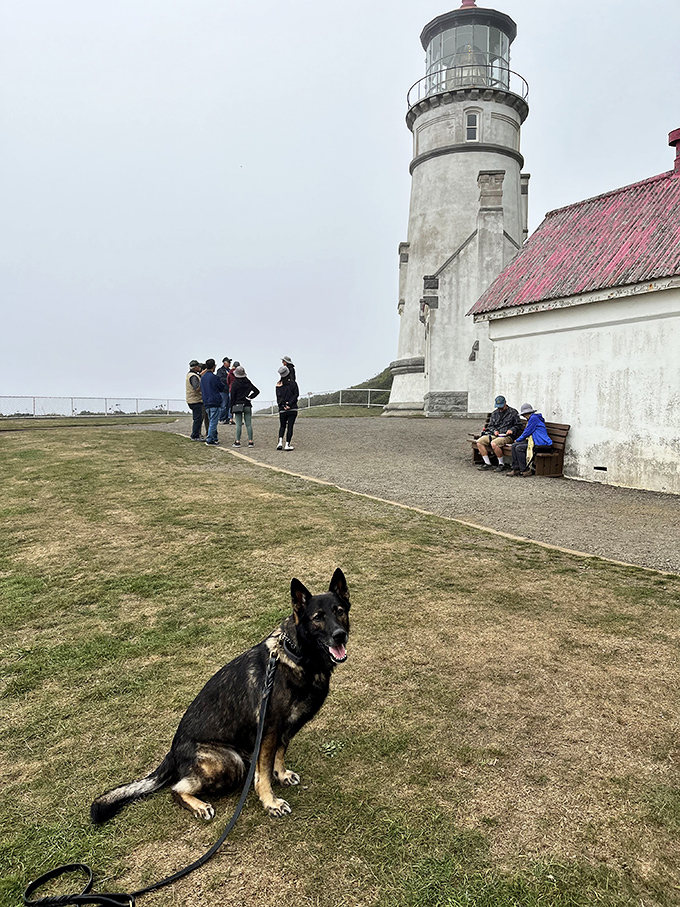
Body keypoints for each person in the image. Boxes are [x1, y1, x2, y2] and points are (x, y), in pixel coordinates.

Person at [476, 395, 522, 472]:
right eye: (498, 407)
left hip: (507, 436)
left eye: (501, 406)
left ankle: (501, 464)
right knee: (479, 442)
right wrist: (494, 431)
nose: (499, 408)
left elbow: (519, 425)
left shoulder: (513, 412)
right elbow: (490, 426)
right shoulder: (495, 413)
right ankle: (488, 463)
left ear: (505, 403)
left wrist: (512, 429)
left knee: (494, 443)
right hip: (495, 435)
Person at [508, 403, 553, 476]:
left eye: (524, 415)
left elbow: (527, 432)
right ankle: (516, 469)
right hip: (533, 441)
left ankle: (525, 470)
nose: (524, 417)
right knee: (514, 446)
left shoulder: (533, 418)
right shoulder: (532, 418)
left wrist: (518, 440)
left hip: (541, 443)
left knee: (519, 448)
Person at [230, 365, 260, 448]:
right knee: (249, 424)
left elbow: (232, 396)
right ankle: (250, 442)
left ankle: (237, 441)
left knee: (238, 424)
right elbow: (257, 391)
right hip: (247, 404)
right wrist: (250, 397)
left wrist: (231, 408)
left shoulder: (235, 383)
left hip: (237, 404)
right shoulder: (248, 382)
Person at [200, 359, 226, 446]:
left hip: (206, 402)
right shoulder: (214, 378)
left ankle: (215, 438)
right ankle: (210, 439)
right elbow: (222, 387)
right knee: (213, 422)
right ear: (214, 366)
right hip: (214, 401)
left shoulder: (203, 378)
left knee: (211, 420)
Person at [276, 365, 299, 451]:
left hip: (282, 410)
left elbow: (279, 397)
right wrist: (289, 403)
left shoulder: (278, 384)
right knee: (290, 426)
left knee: (282, 426)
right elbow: (296, 395)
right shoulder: (293, 383)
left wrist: (283, 405)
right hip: (292, 408)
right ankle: (287, 444)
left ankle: (280, 442)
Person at [185, 360, 204, 440]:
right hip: (195, 400)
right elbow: (197, 388)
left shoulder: (190, 374)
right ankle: (195, 435)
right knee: (198, 419)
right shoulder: (194, 377)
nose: (200, 368)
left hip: (191, 399)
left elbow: (199, 375)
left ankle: (195, 434)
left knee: (197, 418)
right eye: (198, 366)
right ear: (195, 367)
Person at [216, 357, 231, 424]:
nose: (230, 363)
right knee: (223, 405)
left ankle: (227, 418)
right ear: (224, 363)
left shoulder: (230, 371)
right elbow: (220, 379)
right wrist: (228, 379)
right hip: (223, 390)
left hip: (229, 390)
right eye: (228, 362)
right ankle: (221, 418)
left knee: (228, 405)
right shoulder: (220, 370)